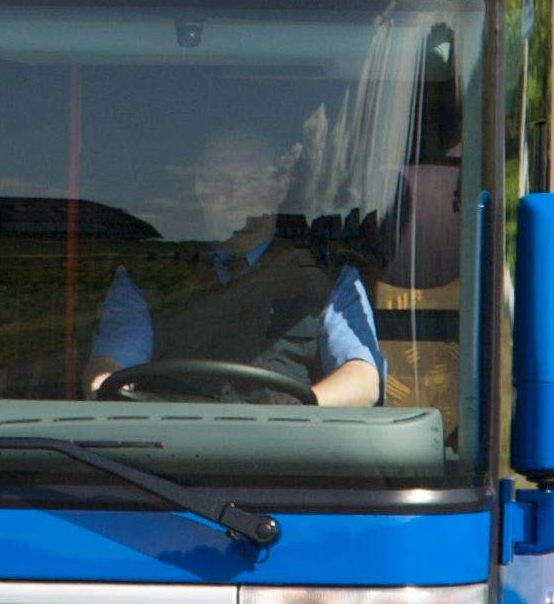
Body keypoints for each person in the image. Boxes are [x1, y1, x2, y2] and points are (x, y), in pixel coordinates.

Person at [86, 126, 382, 406]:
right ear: (200, 187)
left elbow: (363, 379)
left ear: (280, 187)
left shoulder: (327, 273)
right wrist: (108, 389)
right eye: (221, 181)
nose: (237, 195)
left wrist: (296, 414)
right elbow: (109, 367)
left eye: (253, 181)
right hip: (169, 439)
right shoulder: (149, 273)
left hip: (286, 439)